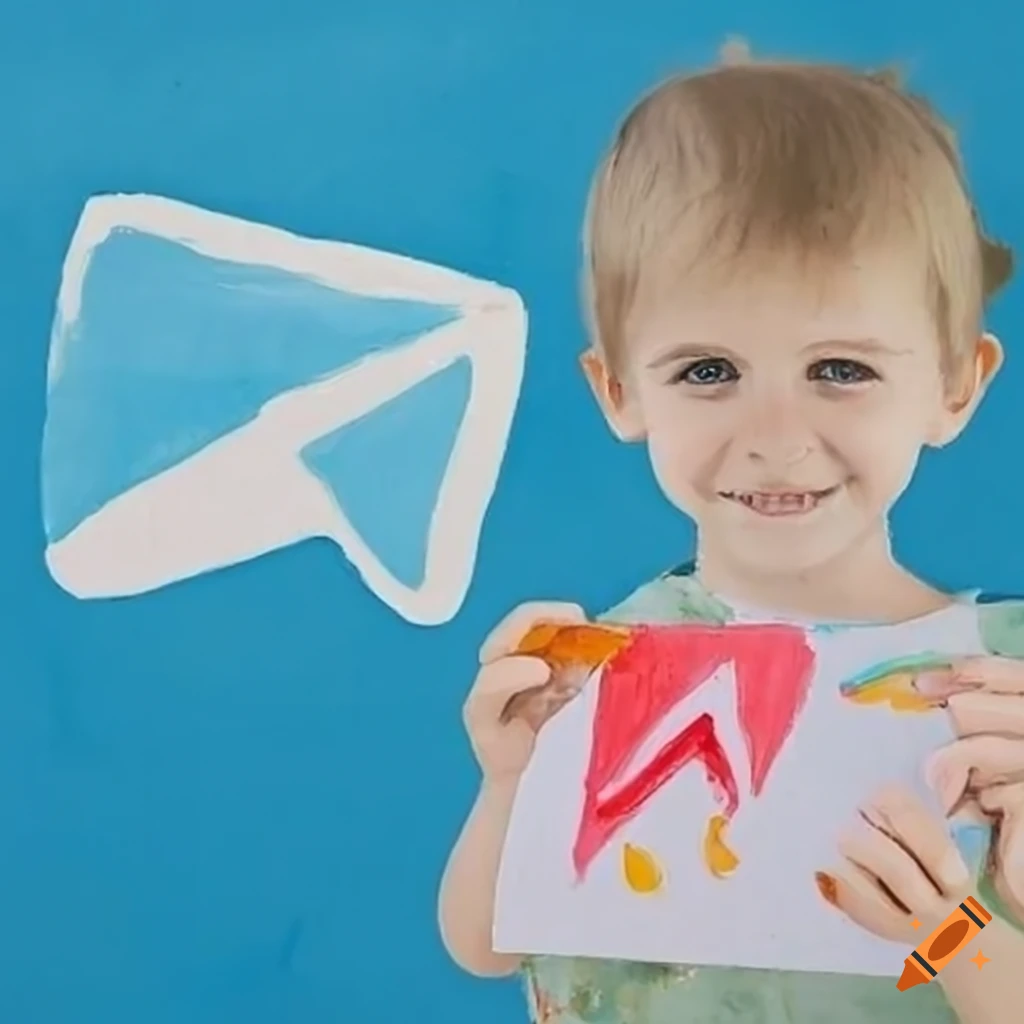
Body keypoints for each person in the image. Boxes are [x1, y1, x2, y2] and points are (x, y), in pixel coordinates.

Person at [438, 43, 1024, 1023]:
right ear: (619, 393)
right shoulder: (600, 662)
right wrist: (509, 781)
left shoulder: (1002, 693)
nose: (776, 439)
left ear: (955, 382)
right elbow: (486, 945)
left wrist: (953, 926)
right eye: (708, 371)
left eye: (840, 368)